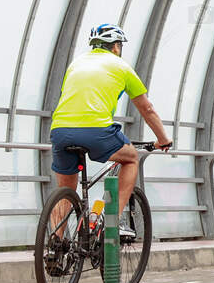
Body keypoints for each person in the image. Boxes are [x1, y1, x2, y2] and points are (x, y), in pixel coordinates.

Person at [48, 23, 172, 243]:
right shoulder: (121, 66)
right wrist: (163, 139)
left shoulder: (75, 64)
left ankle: (55, 244)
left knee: (66, 188)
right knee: (131, 158)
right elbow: (147, 108)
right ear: (116, 47)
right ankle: (111, 222)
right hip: (96, 130)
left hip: (60, 131)